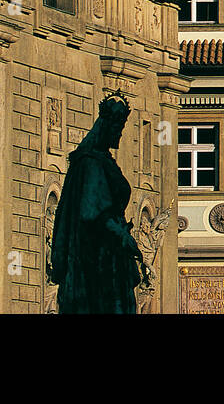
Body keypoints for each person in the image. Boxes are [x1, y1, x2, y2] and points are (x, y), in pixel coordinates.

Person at [49, 92, 149, 313]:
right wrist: (121, 235)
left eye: (121, 129)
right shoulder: (91, 163)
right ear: (104, 126)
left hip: (109, 253)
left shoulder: (102, 160)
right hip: (98, 255)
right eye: (116, 129)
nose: (119, 134)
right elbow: (91, 211)